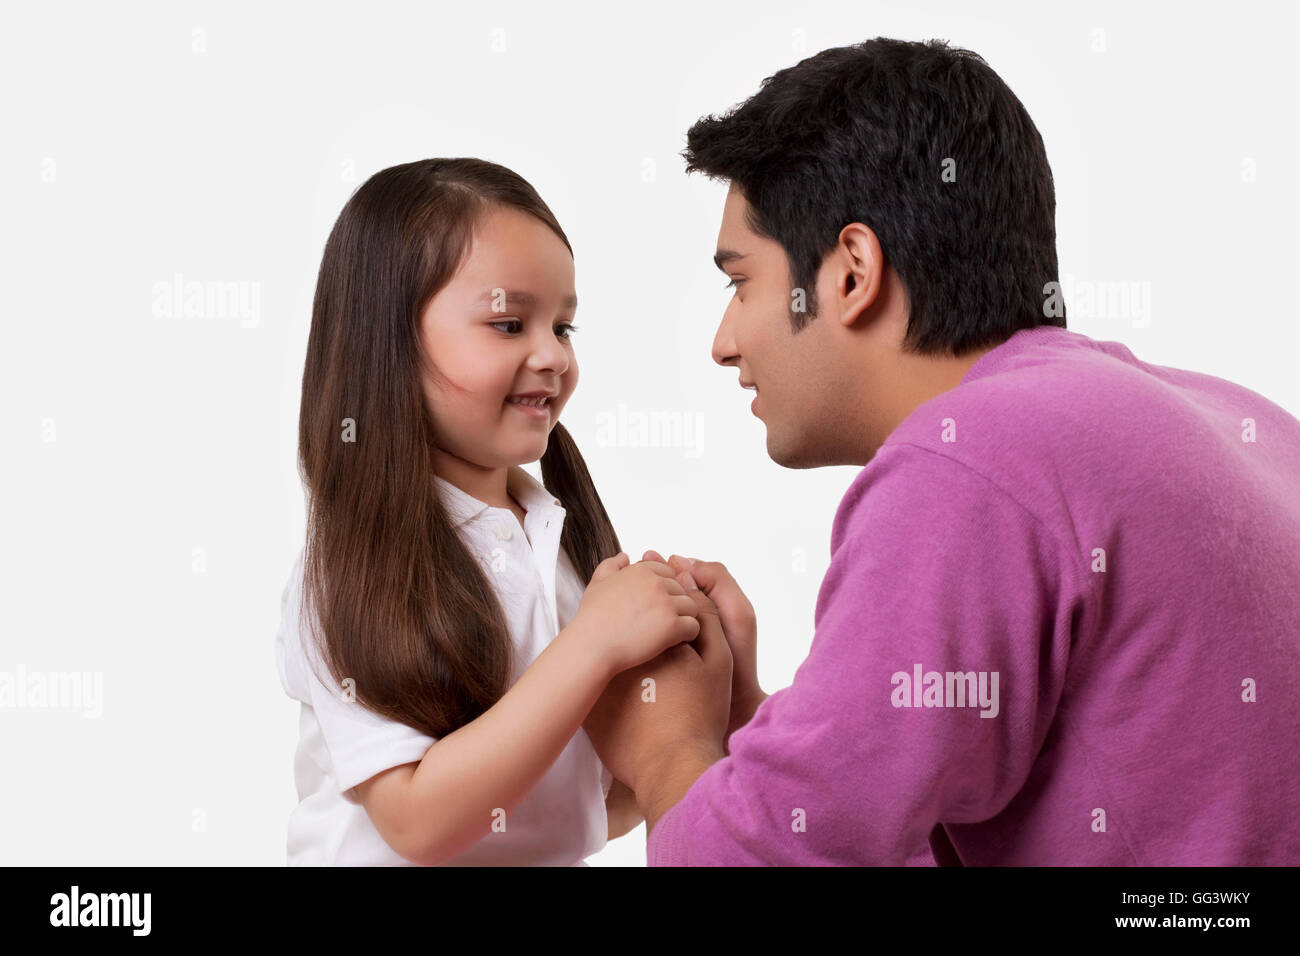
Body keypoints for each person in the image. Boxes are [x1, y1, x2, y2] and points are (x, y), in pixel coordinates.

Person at [581, 37, 1300, 865]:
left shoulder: (974, 461)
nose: (723, 341)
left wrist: (667, 749)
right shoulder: (1228, 417)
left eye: (741, 283)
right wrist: (755, 735)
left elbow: (755, 861)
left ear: (851, 272)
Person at [276, 157, 712, 865]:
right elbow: (418, 823)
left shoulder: (562, 549)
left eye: (564, 328)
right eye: (510, 324)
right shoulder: (346, 573)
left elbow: (579, 809)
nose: (552, 356)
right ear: (386, 344)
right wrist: (595, 644)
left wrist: (701, 718)